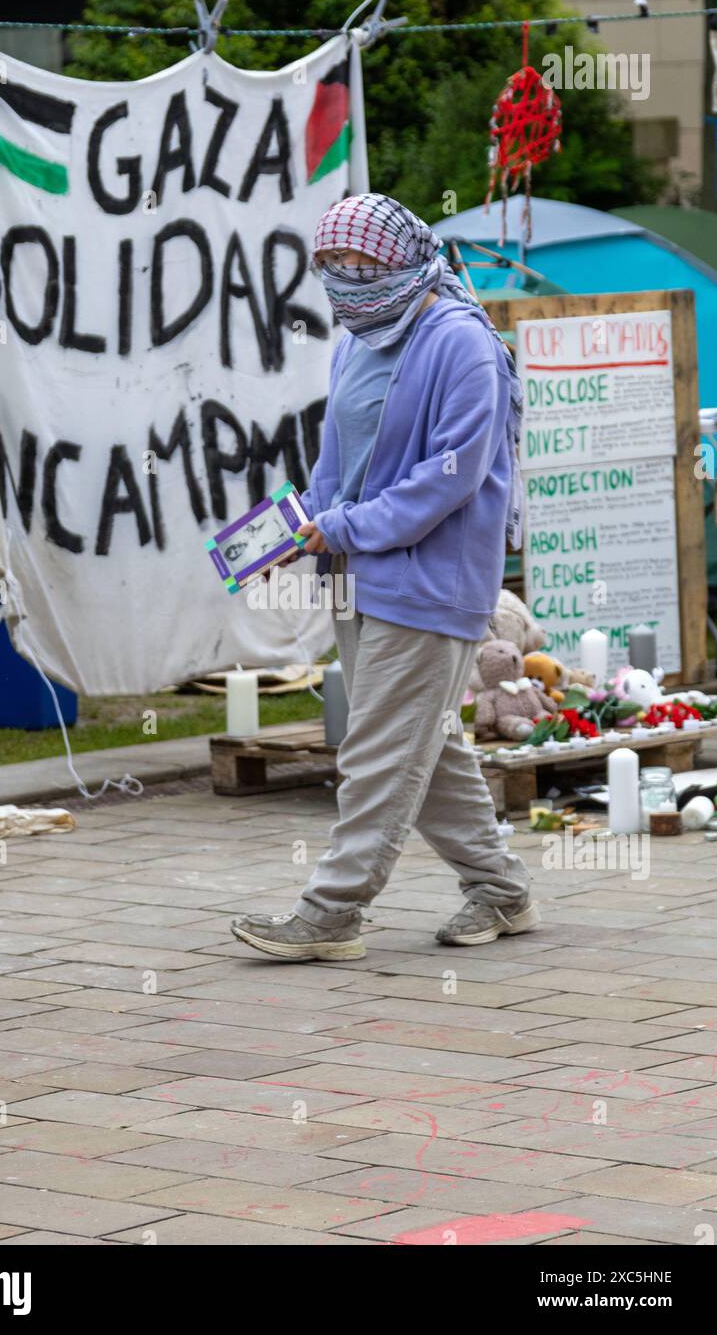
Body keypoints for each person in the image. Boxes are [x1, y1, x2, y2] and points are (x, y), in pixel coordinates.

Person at [231, 192, 535, 962]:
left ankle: (332, 911)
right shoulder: (358, 340)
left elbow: (450, 481)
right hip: (355, 574)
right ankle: (502, 891)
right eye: (329, 267)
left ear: (403, 259)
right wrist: (299, 529)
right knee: (424, 747)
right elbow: (339, 462)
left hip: (432, 582)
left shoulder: (461, 343)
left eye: (359, 266)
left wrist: (341, 528)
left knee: (374, 752)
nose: (344, 283)